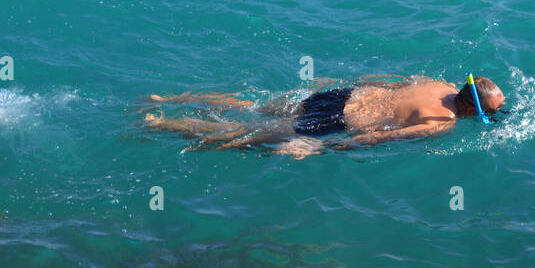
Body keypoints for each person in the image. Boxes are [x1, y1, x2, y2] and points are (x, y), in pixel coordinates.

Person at [142, 74, 505, 158]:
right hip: (339, 122)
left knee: (249, 105)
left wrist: (335, 84)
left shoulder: (438, 83)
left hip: (344, 94)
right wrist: (331, 148)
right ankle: (164, 125)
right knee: (247, 134)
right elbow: (379, 137)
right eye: (490, 112)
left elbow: (385, 81)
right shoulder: (441, 124)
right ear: (471, 108)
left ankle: (168, 97)